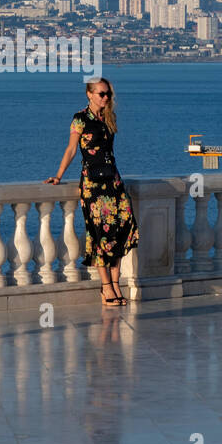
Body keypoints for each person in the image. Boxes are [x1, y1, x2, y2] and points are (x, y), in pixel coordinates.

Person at [45, 77, 139, 306]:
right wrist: (58, 175)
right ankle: (106, 286)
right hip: (93, 185)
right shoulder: (80, 119)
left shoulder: (109, 117)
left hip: (114, 182)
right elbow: (71, 149)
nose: (106, 98)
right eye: (101, 94)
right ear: (89, 94)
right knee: (100, 235)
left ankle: (116, 284)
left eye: (108, 94)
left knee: (121, 231)